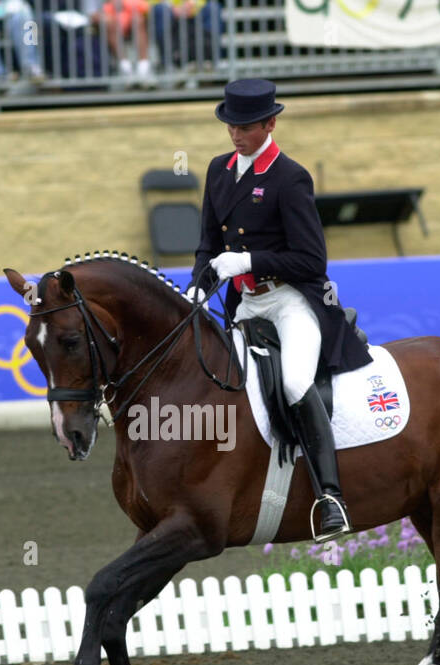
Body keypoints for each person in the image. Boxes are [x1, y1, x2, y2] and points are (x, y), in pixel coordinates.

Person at [187, 78, 371, 542]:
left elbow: (312, 260)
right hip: (245, 303)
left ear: (269, 123)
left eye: (246, 125)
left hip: (290, 300)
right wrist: (198, 285)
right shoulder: (218, 170)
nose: (236, 134)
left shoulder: (290, 177)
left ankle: (332, 499)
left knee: (293, 382)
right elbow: (208, 243)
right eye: (230, 125)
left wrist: (248, 261)